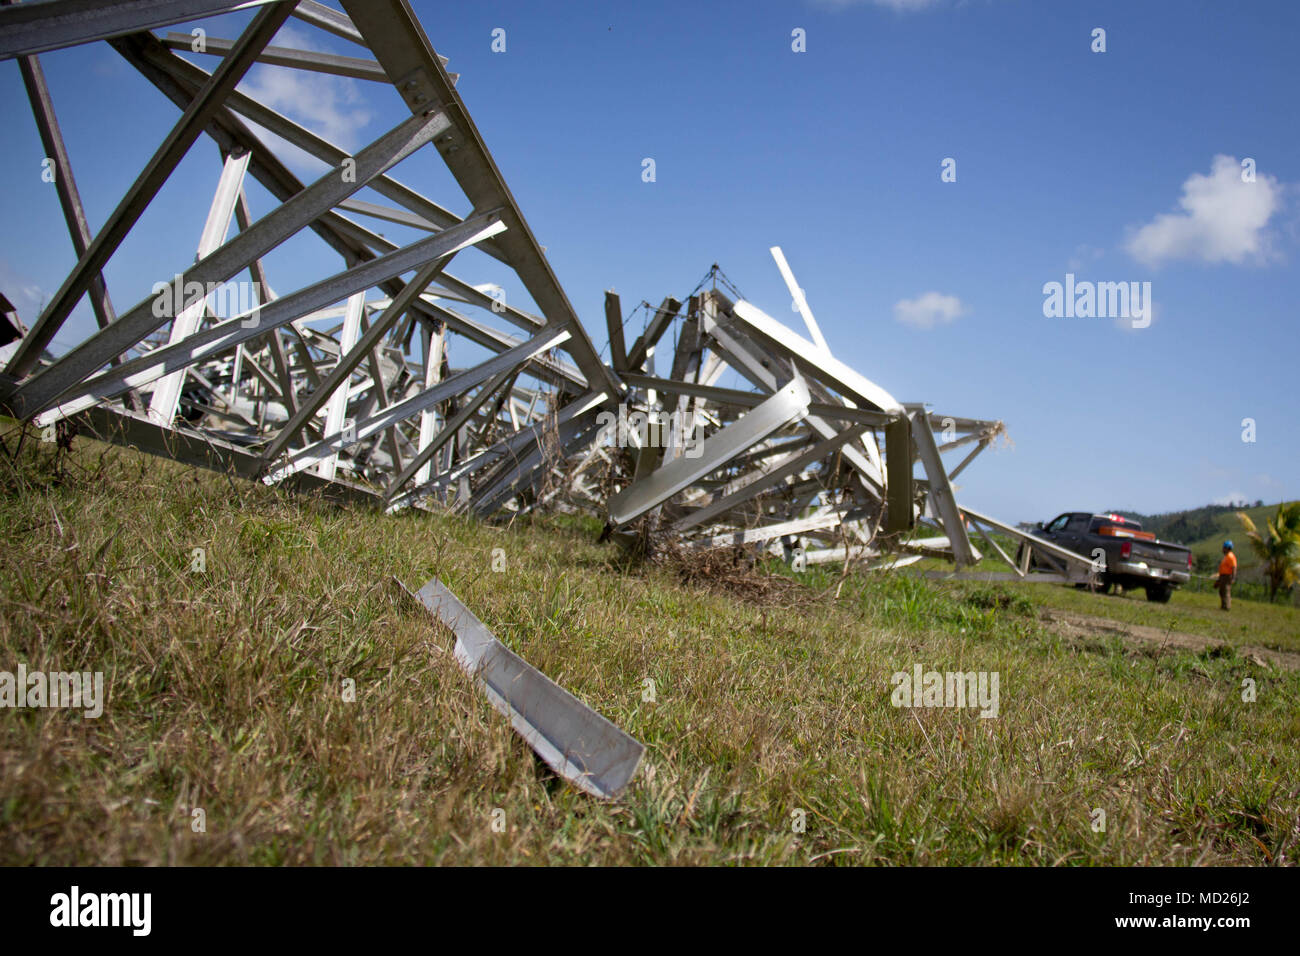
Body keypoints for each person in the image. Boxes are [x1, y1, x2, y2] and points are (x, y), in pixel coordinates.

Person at [1216, 540, 1237, 611]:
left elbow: (1234, 567)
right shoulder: (1226, 556)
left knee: (1226, 591)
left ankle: (1227, 607)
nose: (1223, 549)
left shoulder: (1230, 556)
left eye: (1224, 547)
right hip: (1223, 576)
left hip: (1227, 576)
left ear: (1227, 548)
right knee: (1221, 591)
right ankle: (1223, 605)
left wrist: (1233, 577)